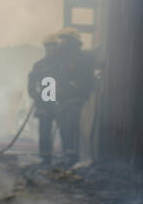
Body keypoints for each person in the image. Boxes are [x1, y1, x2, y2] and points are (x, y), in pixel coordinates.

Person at [53, 27, 94, 166]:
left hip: (76, 100)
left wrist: (78, 91)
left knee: (73, 126)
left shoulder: (83, 58)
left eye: (64, 40)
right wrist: (50, 101)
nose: (61, 43)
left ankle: (74, 157)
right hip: (62, 101)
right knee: (64, 127)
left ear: (72, 42)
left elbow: (86, 79)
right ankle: (67, 156)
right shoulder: (59, 59)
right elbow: (51, 79)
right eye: (61, 40)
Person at [27, 33, 63, 164]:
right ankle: (45, 156)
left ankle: (65, 155)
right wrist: (34, 94)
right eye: (48, 47)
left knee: (64, 130)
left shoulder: (62, 65)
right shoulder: (39, 65)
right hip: (43, 102)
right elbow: (31, 82)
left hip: (59, 101)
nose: (51, 49)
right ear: (45, 48)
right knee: (44, 129)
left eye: (53, 47)